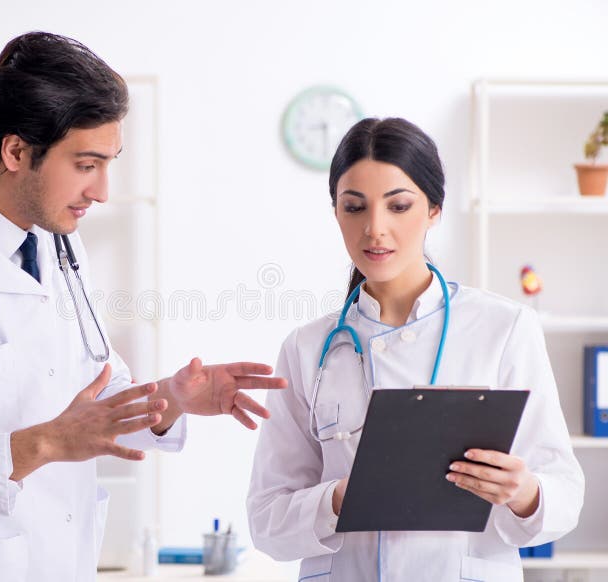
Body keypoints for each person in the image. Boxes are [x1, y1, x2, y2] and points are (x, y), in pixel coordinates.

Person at [0, 32, 286, 582]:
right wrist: (45, 443)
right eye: (86, 165)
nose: (103, 191)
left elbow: (88, 397)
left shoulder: (58, 245)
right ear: (16, 151)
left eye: (109, 164)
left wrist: (170, 397)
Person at [246, 117, 583, 581]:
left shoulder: (503, 328)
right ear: (336, 213)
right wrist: (341, 499)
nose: (374, 229)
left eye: (398, 205)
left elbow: (564, 494)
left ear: (434, 210)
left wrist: (523, 492)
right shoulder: (307, 349)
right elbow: (267, 522)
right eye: (354, 207)